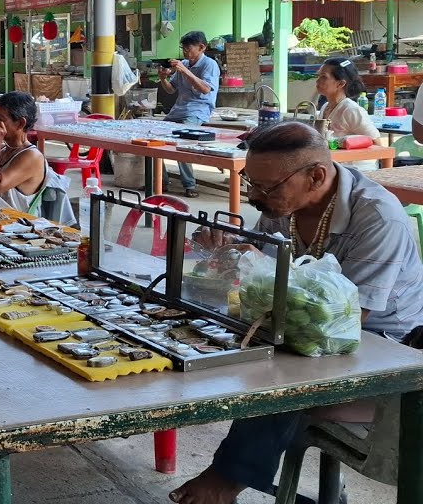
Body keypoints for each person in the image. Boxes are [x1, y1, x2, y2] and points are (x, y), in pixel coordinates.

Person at [170, 121, 423, 504]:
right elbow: (264, 274)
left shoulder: (377, 218)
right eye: (250, 182)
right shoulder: (282, 201)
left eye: (266, 187)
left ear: (316, 175)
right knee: (213, 337)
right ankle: (231, 473)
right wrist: (234, 250)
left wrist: (262, 267)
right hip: (309, 323)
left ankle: (227, 478)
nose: (255, 195)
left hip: (382, 348)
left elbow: (343, 323)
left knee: (279, 375)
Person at [0, 91, 75, 224]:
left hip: (15, 225)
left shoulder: (32, 157)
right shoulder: (5, 150)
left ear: (20, 123)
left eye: (1, 120)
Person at [159, 30, 220, 198]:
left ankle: (189, 184)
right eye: (183, 49)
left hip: (198, 110)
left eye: (188, 49)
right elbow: (171, 90)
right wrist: (163, 78)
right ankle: (161, 181)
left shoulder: (210, 64)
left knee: (183, 141)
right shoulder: (184, 64)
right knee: (154, 137)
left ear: (201, 47)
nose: (185, 52)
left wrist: (184, 70)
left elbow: (206, 88)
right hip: (178, 110)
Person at [317, 57, 379, 145]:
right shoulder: (325, 107)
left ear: (341, 83)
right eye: (318, 76)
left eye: (324, 77)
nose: (318, 81)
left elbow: (377, 143)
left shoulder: (351, 110)